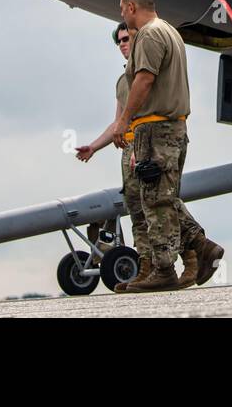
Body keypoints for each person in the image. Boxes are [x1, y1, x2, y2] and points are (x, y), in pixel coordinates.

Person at [112, 0, 224, 291]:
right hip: (173, 126)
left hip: (156, 128)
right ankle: (201, 249)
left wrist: (124, 121)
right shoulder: (169, 31)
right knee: (163, 196)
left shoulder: (149, 35)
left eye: (122, 9)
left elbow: (144, 79)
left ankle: (165, 270)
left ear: (132, 7)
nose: (122, 14)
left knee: (155, 202)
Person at [76, 22, 201, 290]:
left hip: (147, 145)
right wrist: (94, 147)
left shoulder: (145, 76)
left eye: (126, 38)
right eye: (118, 41)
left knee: (163, 206)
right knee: (140, 214)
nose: (123, 44)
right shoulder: (124, 80)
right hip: (131, 148)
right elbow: (118, 122)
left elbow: (150, 115)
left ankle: (194, 255)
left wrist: (140, 152)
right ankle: (147, 267)